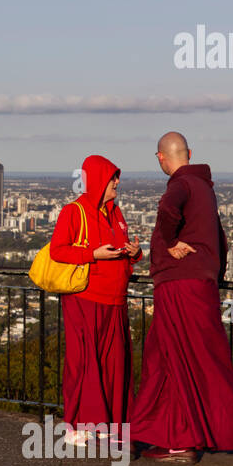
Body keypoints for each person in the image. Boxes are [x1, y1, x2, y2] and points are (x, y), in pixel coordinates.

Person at [131, 132, 233, 463]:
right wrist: (214, 273)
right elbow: (220, 240)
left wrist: (167, 242)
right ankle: (173, 436)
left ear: (160, 158)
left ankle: (183, 441)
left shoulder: (180, 185)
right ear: (189, 153)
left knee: (177, 357)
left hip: (180, 285)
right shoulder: (205, 190)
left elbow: (168, 209)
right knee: (176, 357)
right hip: (202, 284)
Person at [49, 155, 142, 447]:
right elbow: (57, 251)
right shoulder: (74, 212)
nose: (117, 183)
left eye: (117, 177)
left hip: (115, 298)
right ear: (99, 180)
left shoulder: (117, 213)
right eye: (113, 178)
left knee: (114, 362)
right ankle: (76, 423)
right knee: (84, 359)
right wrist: (93, 255)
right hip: (85, 297)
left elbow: (126, 254)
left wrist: (134, 252)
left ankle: (109, 424)